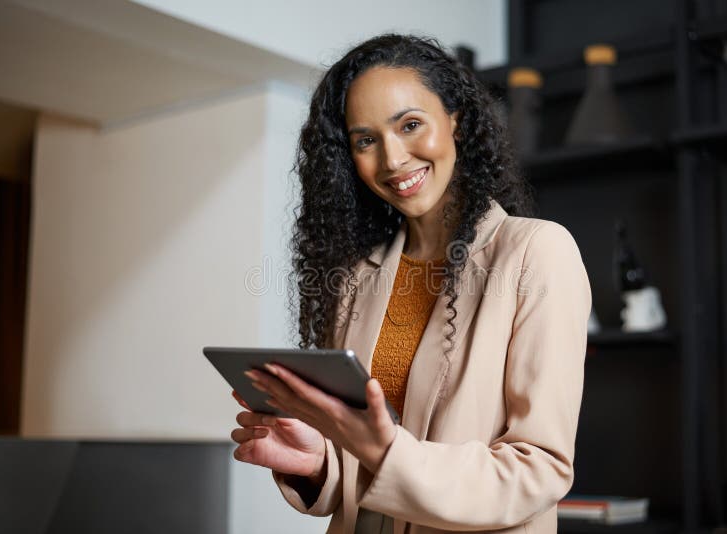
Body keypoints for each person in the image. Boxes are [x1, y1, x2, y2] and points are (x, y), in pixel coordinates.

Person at [230, 34, 591, 534]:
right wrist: (317, 464)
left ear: (456, 122)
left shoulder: (536, 252)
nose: (393, 159)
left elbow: (539, 469)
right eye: (366, 140)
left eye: (411, 125)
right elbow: (360, 477)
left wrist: (384, 450)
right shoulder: (358, 276)